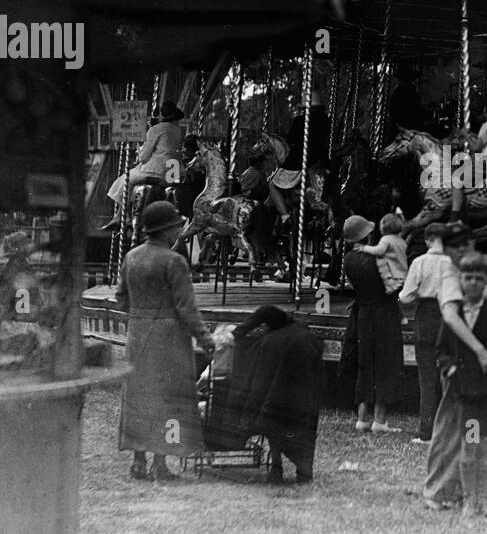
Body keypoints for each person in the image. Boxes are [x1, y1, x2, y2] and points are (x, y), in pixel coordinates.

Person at [115, 201, 216, 482]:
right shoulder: (174, 261)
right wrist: (206, 340)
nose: (179, 230)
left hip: (137, 335)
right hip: (169, 339)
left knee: (139, 396)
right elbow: (187, 308)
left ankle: (138, 460)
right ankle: (160, 462)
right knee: (168, 398)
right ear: (167, 229)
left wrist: (140, 317)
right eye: (176, 226)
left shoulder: (131, 257)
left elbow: (121, 298)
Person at [421, 222, 487, 509]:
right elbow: (452, 318)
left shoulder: (468, 272)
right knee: (449, 429)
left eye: (468, 243)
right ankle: (437, 490)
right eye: (457, 245)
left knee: (466, 431)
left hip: (474, 370)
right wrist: (479, 351)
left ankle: (456, 490)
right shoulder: (451, 275)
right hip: (459, 362)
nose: (463, 249)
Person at [436, 252, 487, 518]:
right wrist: (453, 369)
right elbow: (442, 350)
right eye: (468, 278)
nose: (473, 283)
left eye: (479, 278)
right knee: (470, 446)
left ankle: (485, 498)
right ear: (460, 280)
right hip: (467, 395)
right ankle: (469, 500)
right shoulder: (453, 316)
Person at [231, 306, 326, 484]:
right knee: (303, 427)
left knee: (273, 422)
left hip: (275, 392)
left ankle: (276, 467)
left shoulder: (269, 341)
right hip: (304, 392)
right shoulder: (307, 336)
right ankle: (304, 472)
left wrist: (238, 334)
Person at [340, 214, 405, 434]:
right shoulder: (379, 258)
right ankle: (379, 420)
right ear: (367, 235)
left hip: (362, 313)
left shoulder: (349, 259)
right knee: (384, 363)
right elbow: (394, 286)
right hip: (384, 313)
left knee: (364, 362)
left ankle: (361, 418)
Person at [399, 223, 451, 444]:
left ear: (428, 240)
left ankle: (426, 431)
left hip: (426, 316)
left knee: (426, 378)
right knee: (450, 376)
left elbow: (406, 296)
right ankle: (449, 430)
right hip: (449, 317)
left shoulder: (419, 262)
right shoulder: (454, 263)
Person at [105, 101, 185, 229]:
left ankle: (121, 216)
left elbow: (144, 156)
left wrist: (140, 150)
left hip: (157, 171)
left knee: (125, 180)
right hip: (173, 171)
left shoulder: (156, 129)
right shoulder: (179, 131)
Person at [269, 93, 331, 220]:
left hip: (298, 162)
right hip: (322, 161)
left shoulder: (300, 120)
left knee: (273, 185)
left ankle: (285, 216)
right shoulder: (326, 120)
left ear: (305, 107)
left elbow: (290, 140)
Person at [355, 212, 408, 294]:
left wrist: (364, 248)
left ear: (384, 226)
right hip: (402, 273)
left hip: (392, 274)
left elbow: (379, 251)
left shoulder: (386, 239)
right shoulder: (401, 240)